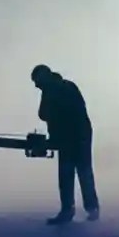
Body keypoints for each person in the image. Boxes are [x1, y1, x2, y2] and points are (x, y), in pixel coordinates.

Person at [32, 64, 99, 224]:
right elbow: (45, 114)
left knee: (78, 172)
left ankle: (80, 209)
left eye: (37, 81)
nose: (36, 85)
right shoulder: (56, 88)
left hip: (77, 136)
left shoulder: (59, 89)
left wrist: (59, 136)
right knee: (73, 173)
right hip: (72, 136)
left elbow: (50, 114)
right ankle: (84, 209)